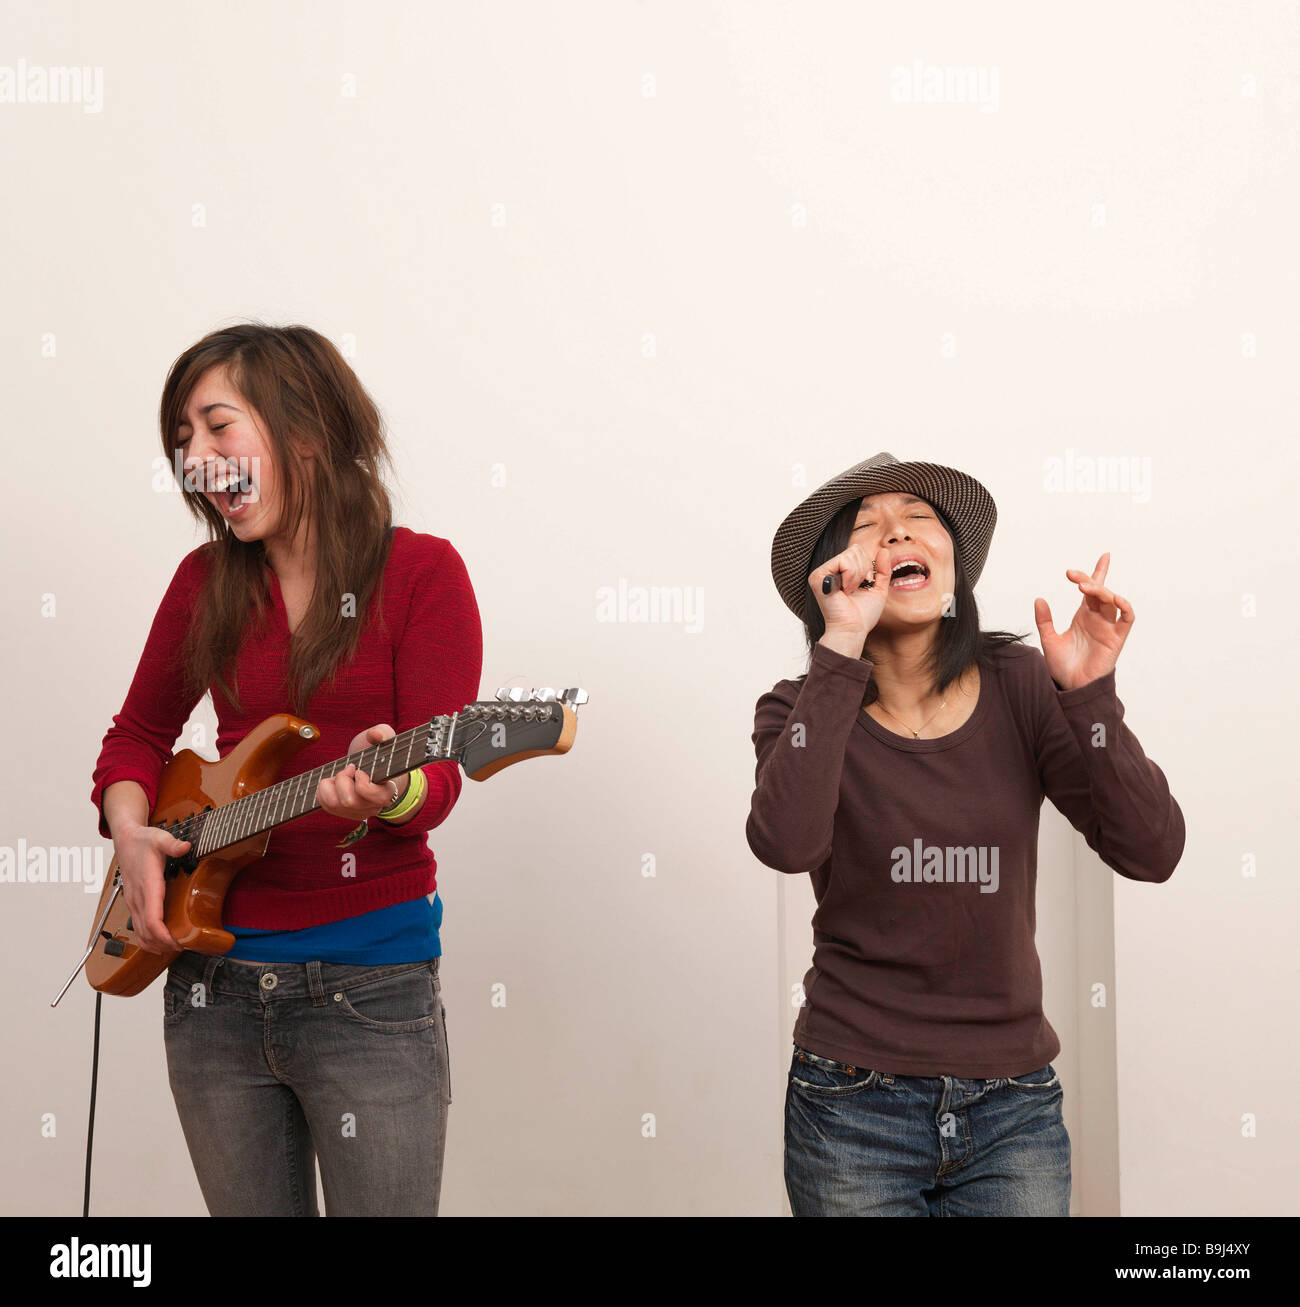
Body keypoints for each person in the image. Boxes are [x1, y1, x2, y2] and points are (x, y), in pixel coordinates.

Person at [90, 323, 482, 1216]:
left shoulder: (422, 574)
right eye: (182, 441)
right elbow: (136, 736)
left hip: (370, 991)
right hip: (210, 990)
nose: (196, 458)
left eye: (216, 426)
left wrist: (390, 793)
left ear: (304, 427)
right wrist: (131, 832)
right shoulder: (205, 583)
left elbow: (441, 779)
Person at [747, 451, 1185, 1217]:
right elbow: (786, 843)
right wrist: (839, 650)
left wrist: (1090, 700)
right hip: (850, 1100)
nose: (896, 534)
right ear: (834, 579)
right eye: (869, 530)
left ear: (952, 561)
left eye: (919, 521)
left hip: (1013, 1107)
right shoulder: (797, 708)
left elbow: (1151, 849)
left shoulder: (1021, 683)